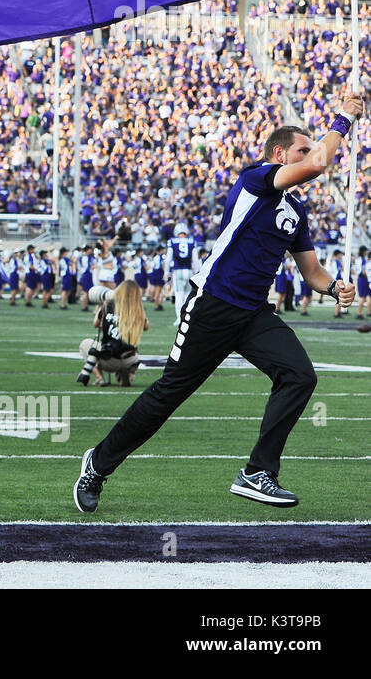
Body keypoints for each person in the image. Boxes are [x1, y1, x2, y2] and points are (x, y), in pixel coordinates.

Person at [74, 98, 365, 513]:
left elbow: (311, 271)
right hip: (213, 304)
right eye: (301, 149)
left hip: (252, 313)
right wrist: (345, 120)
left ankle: (257, 471)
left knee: (300, 375)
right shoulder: (257, 179)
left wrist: (335, 286)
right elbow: (319, 162)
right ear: (280, 154)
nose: (309, 155)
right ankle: (97, 465)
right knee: (168, 395)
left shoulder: (296, 211)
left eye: (308, 149)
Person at [76, 281, 149, 386]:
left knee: (86, 344)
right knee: (131, 348)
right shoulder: (137, 309)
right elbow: (146, 326)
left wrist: (102, 305)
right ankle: (127, 374)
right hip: (130, 359)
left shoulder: (109, 305)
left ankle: (99, 377)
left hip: (108, 358)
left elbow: (96, 324)